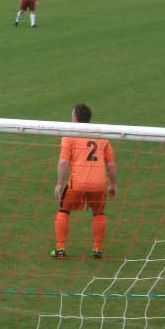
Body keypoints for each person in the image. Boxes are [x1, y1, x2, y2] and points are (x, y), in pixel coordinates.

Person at [52, 103, 118, 258]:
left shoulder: (70, 135)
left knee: (63, 210)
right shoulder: (102, 136)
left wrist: (59, 184)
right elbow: (111, 165)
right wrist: (113, 185)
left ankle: (60, 248)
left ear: (75, 118)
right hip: (99, 184)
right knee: (99, 212)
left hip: (77, 183)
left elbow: (63, 162)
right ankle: (98, 249)